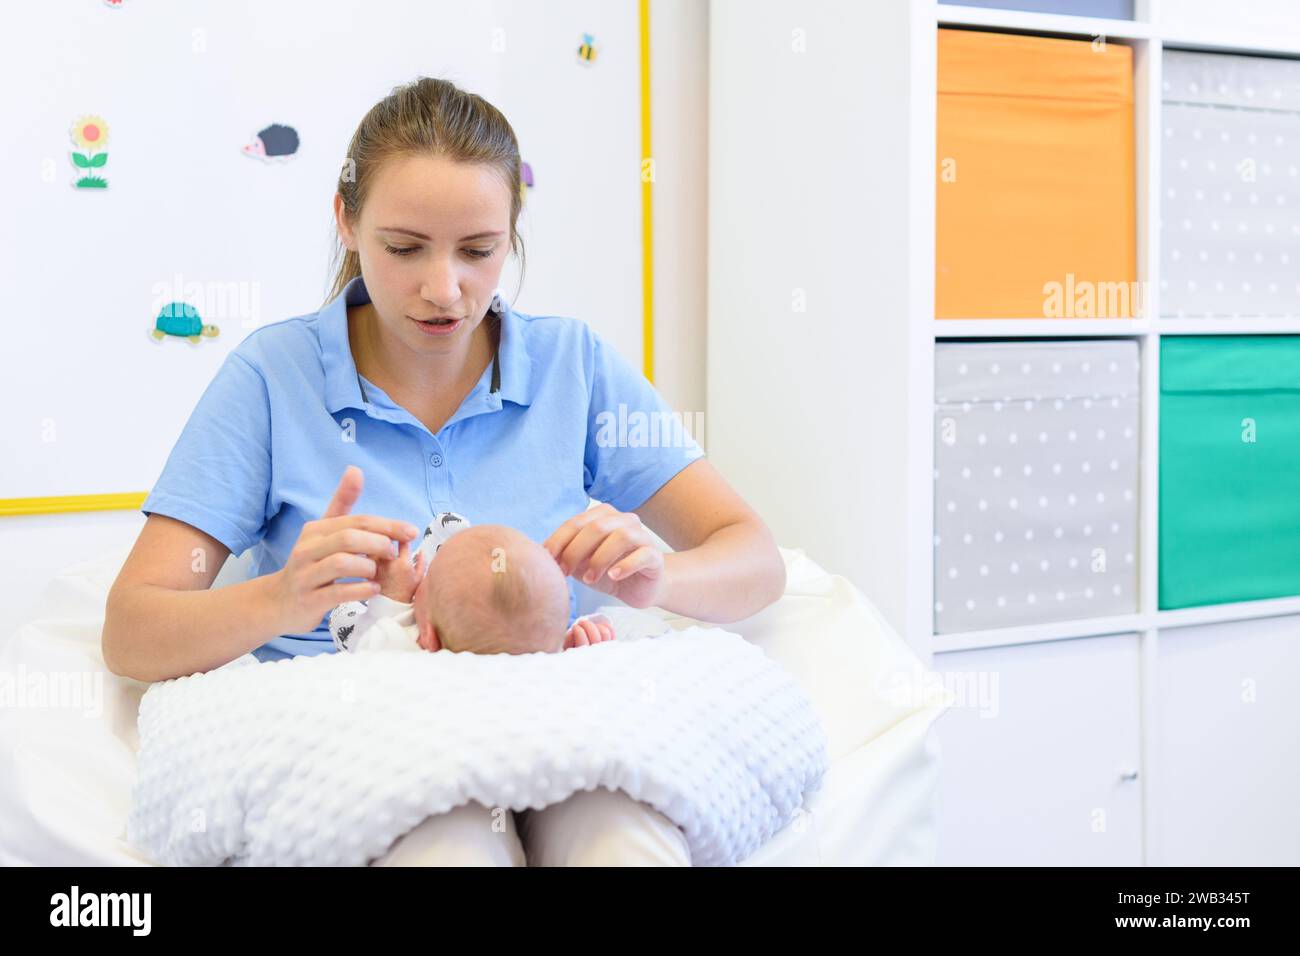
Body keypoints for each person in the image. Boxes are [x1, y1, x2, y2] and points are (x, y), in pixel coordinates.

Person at [103, 76, 785, 866]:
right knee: (446, 844)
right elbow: (132, 630)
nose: (444, 290)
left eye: (478, 251)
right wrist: (283, 596)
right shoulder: (271, 377)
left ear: (511, 237)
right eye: (403, 248)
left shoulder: (572, 365)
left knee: (621, 837)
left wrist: (656, 577)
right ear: (346, 222)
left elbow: (754, 558)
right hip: (373, 741)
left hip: (559, 722)